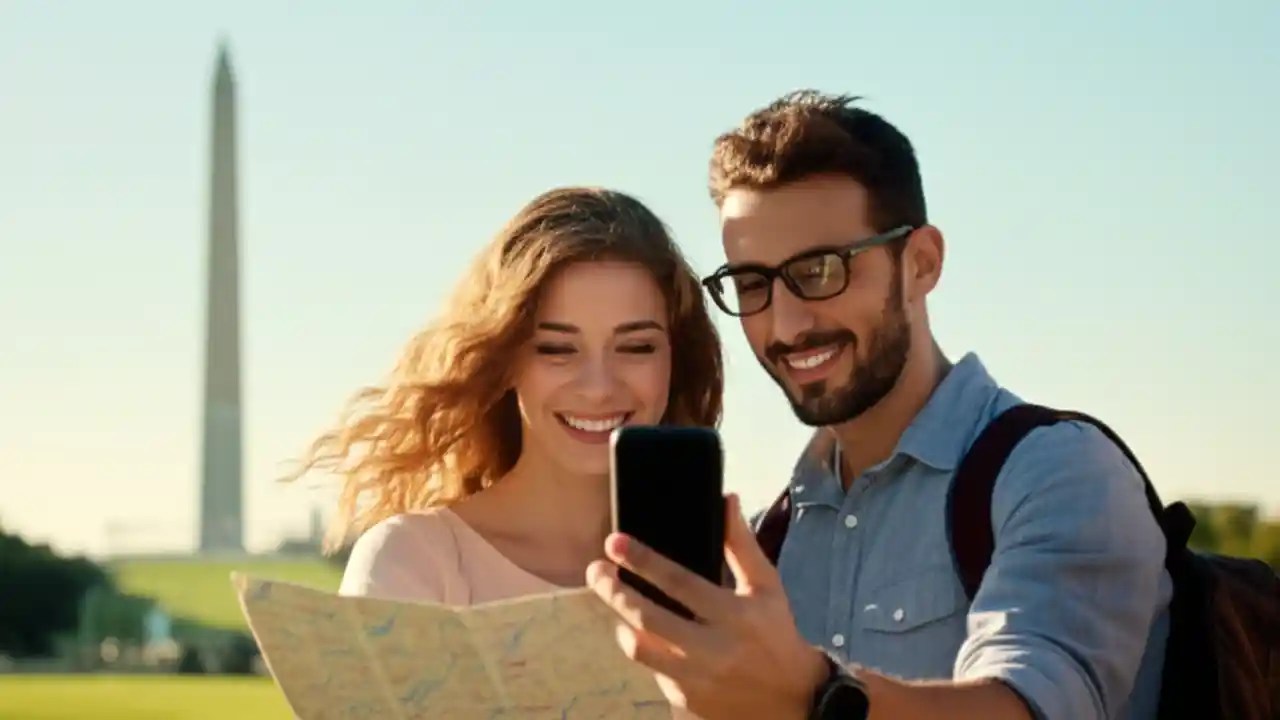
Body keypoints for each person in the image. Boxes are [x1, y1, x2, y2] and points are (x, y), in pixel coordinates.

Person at [586, 91, 1172, 720]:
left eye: (820, 270)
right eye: (753, 284)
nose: (784, 324)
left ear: (921, 263)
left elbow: (1033, 707)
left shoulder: (1060, 473)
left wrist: (814, 696)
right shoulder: (770, 541)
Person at [291, 186, 723, 610]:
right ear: (504, 360)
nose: (599, 387)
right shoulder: (414, 562)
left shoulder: (728, 573)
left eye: (636, 347)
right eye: (556, 349)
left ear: (676, 357)